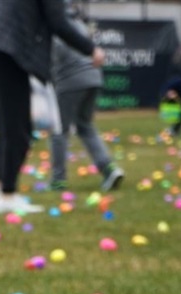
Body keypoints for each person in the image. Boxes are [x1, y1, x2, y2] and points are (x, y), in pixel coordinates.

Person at [0, 0, 105, 215]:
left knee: (5, 126)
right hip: (5, 48)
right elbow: (59, 22)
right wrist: (91, 49)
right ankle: (8, 195)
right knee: (18, 130)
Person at [48, 9, 124, 192]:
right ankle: (109, 169)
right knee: (85, 126)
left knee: (58, 130)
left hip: (71, 80)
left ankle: (58, 181)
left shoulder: (56, 24)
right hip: (94, 77)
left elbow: (54, 55)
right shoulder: (77, 23)